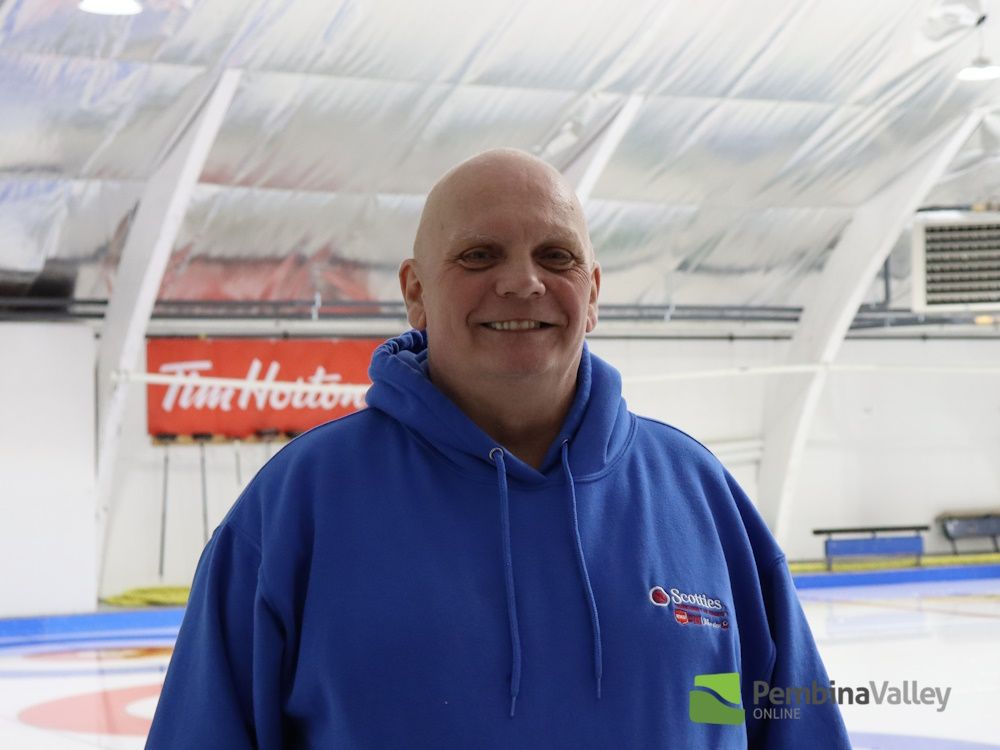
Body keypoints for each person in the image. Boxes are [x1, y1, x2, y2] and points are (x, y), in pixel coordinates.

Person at [146, 149, 850, 748]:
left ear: (594, 292)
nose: (522, 282)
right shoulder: (297, 506)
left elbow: (781, 723)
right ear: (415, 291)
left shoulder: (700, 498)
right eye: (479, 255)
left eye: (557, 255)